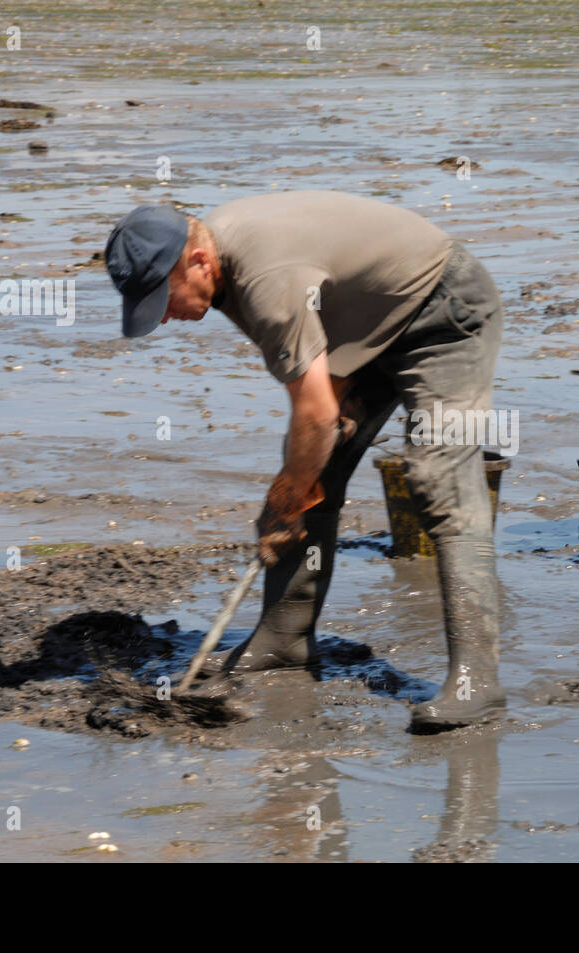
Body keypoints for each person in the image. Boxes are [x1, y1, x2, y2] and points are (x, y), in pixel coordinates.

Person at [103, 191, 506, 730]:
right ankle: (284, 639)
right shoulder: (224, 265)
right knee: (316, 464)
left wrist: (285, 501)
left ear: (197, 261)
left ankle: (478, 683)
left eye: (165, 297)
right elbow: (316, 385)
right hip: (372, 323)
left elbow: (314, 412)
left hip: (445, 310)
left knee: (438, 477)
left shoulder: (263, 279)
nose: (167, 318)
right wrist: (300, 478)